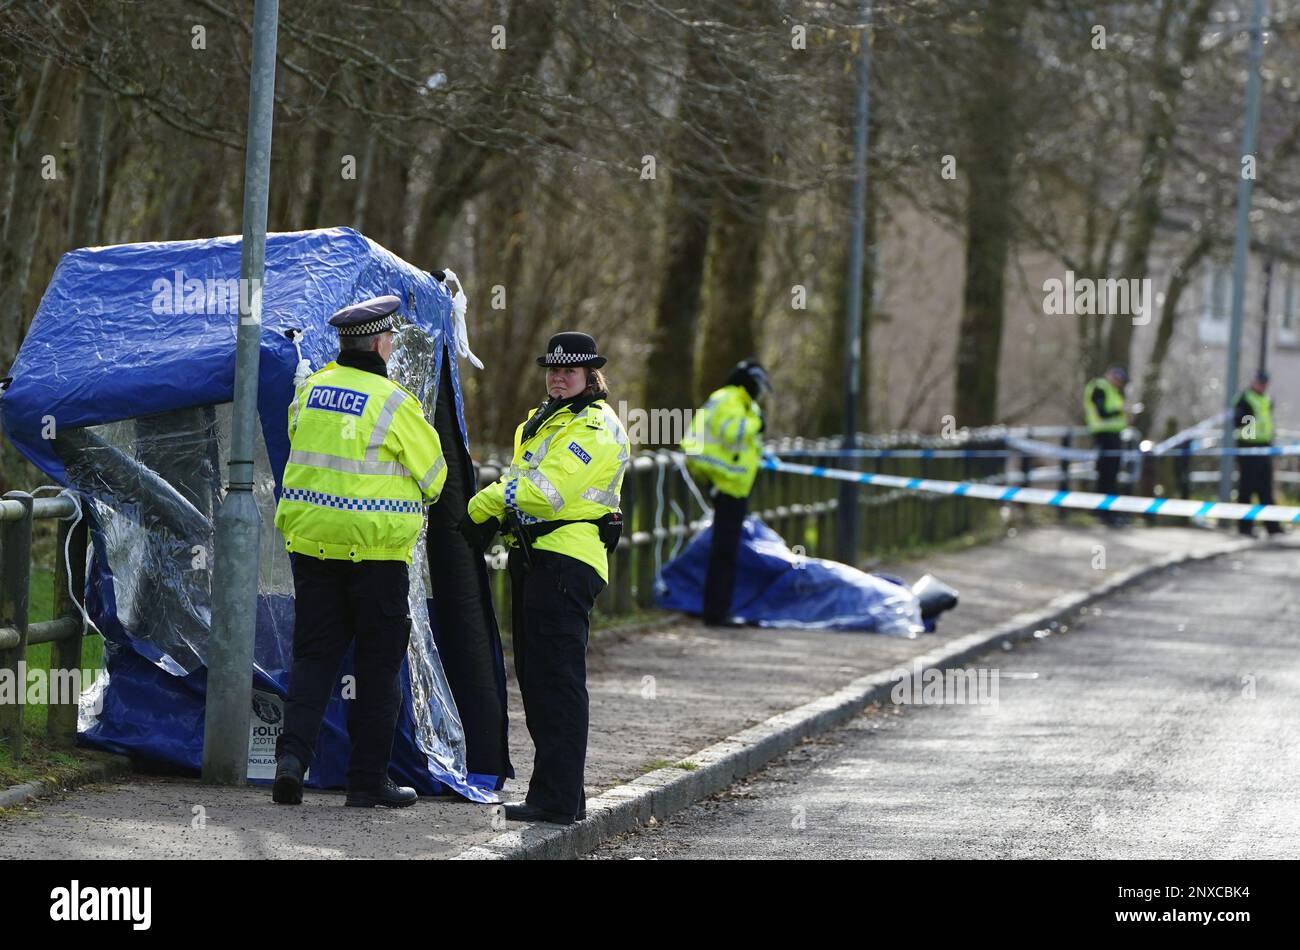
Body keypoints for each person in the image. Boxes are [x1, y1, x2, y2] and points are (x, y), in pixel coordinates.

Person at [270, 294, 448, 808]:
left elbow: (298, 443)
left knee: (313, 660)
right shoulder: (393, 402)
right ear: (380, 342)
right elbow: (435, 477)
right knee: (377, 668)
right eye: (390, 338)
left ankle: (291, 763)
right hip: (375, 556)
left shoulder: (310, 390)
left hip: (311, 548)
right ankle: (367, 782)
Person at [460, 331, 629, 825]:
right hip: (538, 560)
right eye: (552, 370)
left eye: (569, 371)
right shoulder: (549, 420)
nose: (558, 377)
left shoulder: (593, 425)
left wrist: (483, 506)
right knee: (538, 680)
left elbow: (545, 490)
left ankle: (556, 801)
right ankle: (559, 795)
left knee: (555, 682)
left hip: (564, 564)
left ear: (590, 375)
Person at [681, 360, 770, 626]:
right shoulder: (732, 401)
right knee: (724, 551)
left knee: (726, 549)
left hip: (729, 483)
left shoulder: (732, 400)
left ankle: (718, 610)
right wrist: (758, 422)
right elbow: (733, 434)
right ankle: (716, 614)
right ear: (751, 383)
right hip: (727, 483)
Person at [1234, 370, 1283, 538]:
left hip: (1264, 447)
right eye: (1260, 382)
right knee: (1247, 489)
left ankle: (1272, 527)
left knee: (1265, 489)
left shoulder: (1267, 399)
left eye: (1264, 383)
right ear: (1254, 381)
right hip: (1248, 447)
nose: (1262, 386)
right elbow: (1240, 424)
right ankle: (1245, 527)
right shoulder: (1244, 399)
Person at [1084, 365, 1128, 525]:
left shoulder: (1111, 390)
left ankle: (1108, 511)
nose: (1120, 384)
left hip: (1113, 436)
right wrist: (1121, 410)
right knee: (1106, 475)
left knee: (1111, 474)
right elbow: (1102, 411)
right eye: (1119, 380)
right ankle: (1104, 512)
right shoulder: (1099, 388)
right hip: (1104, 436)